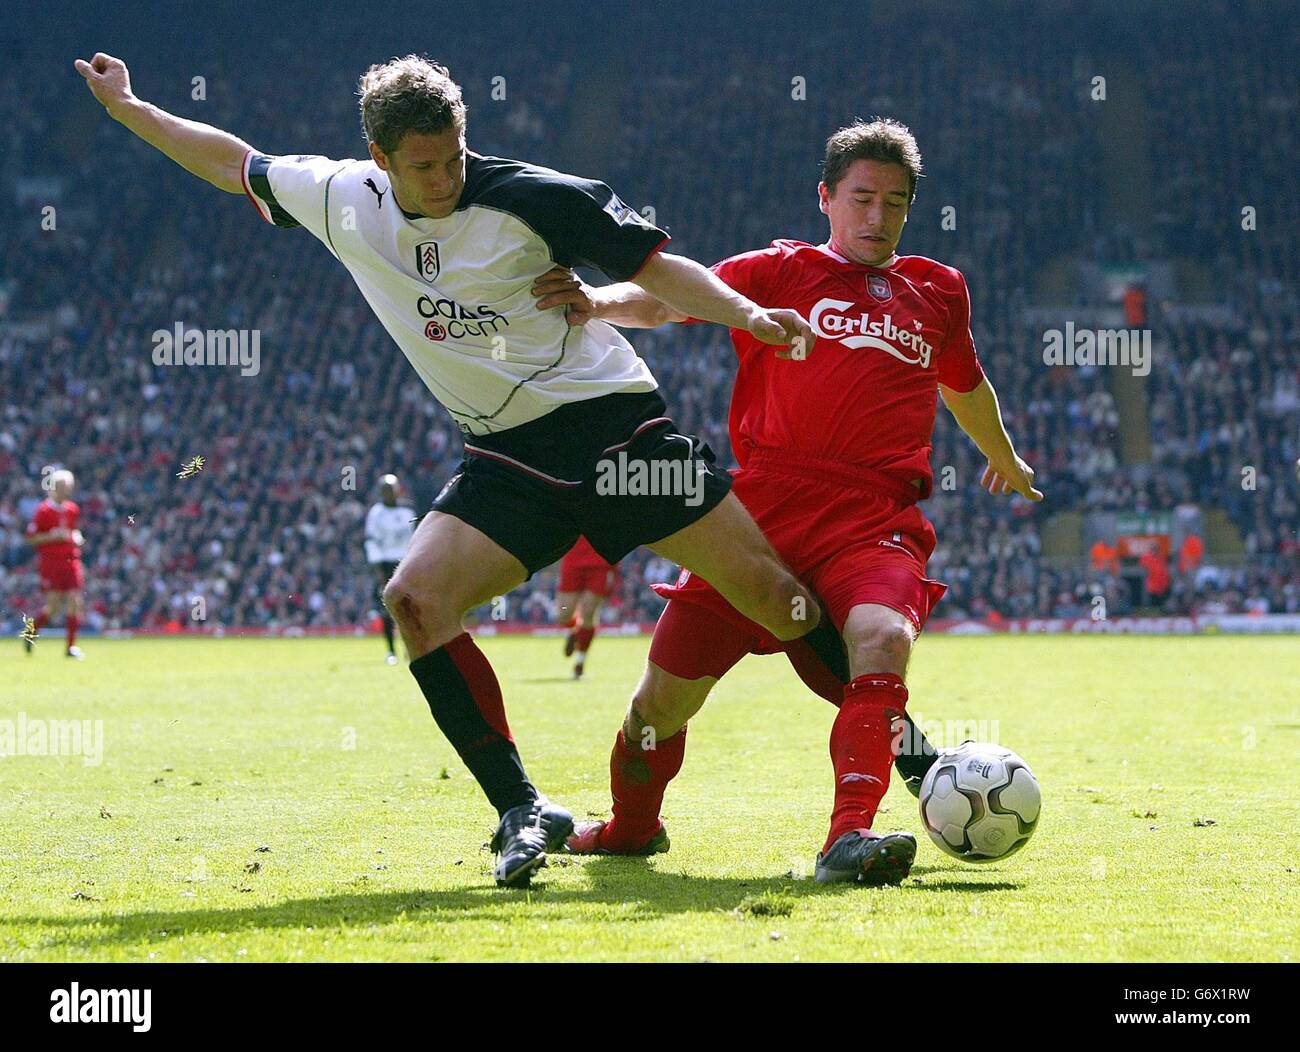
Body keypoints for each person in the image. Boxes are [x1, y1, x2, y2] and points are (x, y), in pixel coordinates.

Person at [77, 50, 840, 888]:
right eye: (423, 166)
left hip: (610, 426)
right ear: (380, 160)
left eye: (454, 156)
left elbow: (656, 270)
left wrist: (746, 314)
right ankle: (520, 809)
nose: (445, 177)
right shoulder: (340, 198)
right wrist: (132, 111)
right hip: (506, 453)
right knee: (414, 599)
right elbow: (233, 161)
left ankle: (912, 756)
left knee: (776, 594)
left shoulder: (533, 195)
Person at [534, 118, 1043, 884]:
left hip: (875, 518)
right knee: (656, 711)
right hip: (757, 518)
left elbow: (963, 383)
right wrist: (596, 304)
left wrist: (1003, 456)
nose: (878, 218)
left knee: (880, 636)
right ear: (827, 198)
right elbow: (672, 298)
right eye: (863, 198)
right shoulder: (779, 271)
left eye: (895, 204)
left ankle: (849, 838)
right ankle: (633, 829)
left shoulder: (938, 289)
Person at [25, 469, 86, 659]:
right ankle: (30, 632)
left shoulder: (72, 509)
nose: (65, 490)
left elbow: (74, 530)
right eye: (62, 486)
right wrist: (50, 536)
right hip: (51, 563)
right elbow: (31, 538)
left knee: (75, 600)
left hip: (71, 560)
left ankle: (70, 647)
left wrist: (77, 536)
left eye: (67, 486)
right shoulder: (44, 510)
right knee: (53, 607)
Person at [364, 474, 416, 664]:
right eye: (385, 490)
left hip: (405, 563)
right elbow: (371, 541)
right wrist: (378, 569)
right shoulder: (376, 513)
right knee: (388, 609)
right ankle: (391, 651)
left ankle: (411, 649)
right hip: (385, 565)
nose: (389, 493)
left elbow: (415, 539)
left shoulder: (407, 512)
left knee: (410, 608)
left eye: (392, 489)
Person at [555, 536, 621, 679]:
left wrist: (614, 567)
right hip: (573, 559)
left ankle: (580, 662)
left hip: (600, 561)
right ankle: (574, 631)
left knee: (589, 612)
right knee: (563, 615)